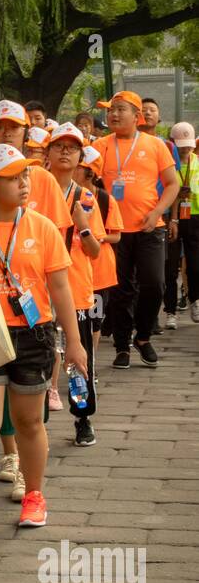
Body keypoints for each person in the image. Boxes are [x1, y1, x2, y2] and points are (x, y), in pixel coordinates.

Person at [0, 143, 87, 543]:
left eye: (26, 175)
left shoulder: (41, 227)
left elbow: (60, 286)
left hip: (34, 334)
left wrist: (73, 343)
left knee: (29, 421)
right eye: (14, 177)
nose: (25, 182)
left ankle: (35, 496)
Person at [93, 91, 179, 368]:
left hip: (149, 227)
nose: (113, 115)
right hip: (113, 231)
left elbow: (172, 184)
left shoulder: (155, 145)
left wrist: (157, 212)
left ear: (137, 115)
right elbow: (87, 182)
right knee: (119, 290)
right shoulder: (100, 146)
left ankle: (142, 336)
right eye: (110, 111)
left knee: (155, 283)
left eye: (120, 109)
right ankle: (122, 346)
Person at [44, 124, 105, 446]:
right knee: (39, 356)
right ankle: (34, 421)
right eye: (59, 146)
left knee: (78, 359)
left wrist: (83, 227)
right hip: (37, 287)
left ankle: (83, 417)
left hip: (76, 287)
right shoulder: (34, 190)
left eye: (72, 147)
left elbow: (95, 251)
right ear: (47, 153)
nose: (65, 151)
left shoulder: (86, 198)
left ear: (81, 157)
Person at [0, 102, 72, 230]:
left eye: (14, 127)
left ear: (26, 134)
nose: (6, 133)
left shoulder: (45, 179)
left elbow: (59, 233)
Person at [75, 146, 123, 357]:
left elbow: (117, 235)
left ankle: (90, 363)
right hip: (76, 269)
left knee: (94, 321)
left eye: (79, 167)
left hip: (100, 271)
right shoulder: (62, 194)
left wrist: (96, 236)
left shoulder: (105, 199)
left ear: (90, 173)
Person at [164, 123, 199, 325]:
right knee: (170, 268)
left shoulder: (197, 163)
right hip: (172, 219)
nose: (185, 149)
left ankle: (195, 299)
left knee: (195, 265)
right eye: (181, 145)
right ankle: (170, 310)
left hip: (195, 218)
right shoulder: (168, 165)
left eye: (188, 145)